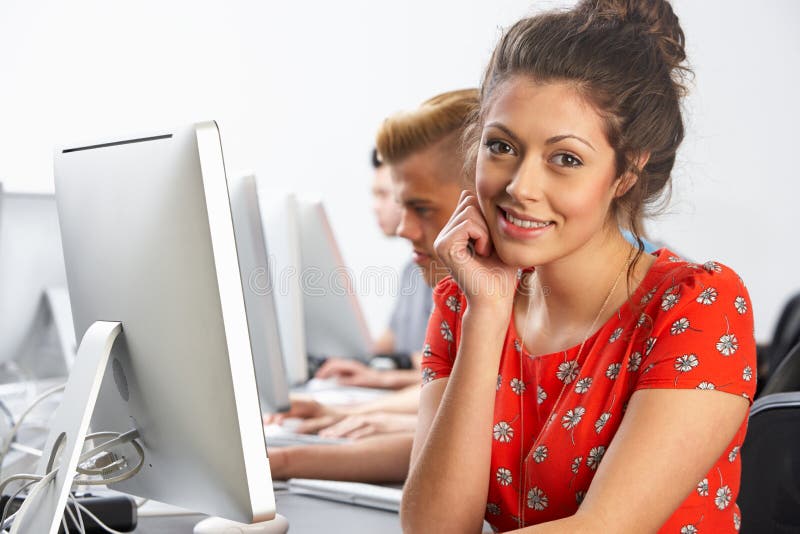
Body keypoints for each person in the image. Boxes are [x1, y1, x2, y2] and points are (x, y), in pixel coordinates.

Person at [402, 2, 756, 533]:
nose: (520, 187)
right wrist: (488, 315)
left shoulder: (698, 307)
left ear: (626, 171)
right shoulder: (465, 301)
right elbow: (433, 529)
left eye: (565, 159)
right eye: (502, 147)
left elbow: (602, 528)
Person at [267, 89, 480, 478]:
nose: (403, 228)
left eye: (422, 208)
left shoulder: (522, 302)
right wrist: (287, 456)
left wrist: (371, 412)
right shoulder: (455, 295)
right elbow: (444, 414)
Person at [311, 148, 432, 390]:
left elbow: (446, 368)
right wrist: (339, 359)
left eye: (384, 195)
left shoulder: (445, 270)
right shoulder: (411, 270)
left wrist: (381, 376)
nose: (375, 207)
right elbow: (387, 344)